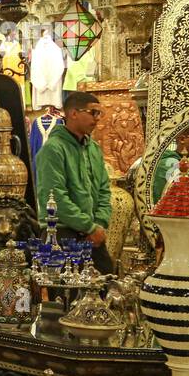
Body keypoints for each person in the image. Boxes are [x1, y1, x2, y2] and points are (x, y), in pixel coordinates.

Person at [34, 91, 113, 273]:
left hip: (92, 233)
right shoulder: (53, 149)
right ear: (73, 113)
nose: (97, 119)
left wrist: (98, 225)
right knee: (67, 297)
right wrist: (89, 226)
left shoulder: (93, 148)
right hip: (61, 232)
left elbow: (104, 190)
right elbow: (54, 198)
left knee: (107, 286)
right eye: (92, 112)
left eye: (99, 114)